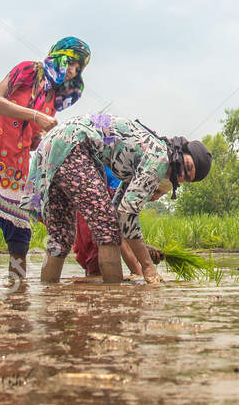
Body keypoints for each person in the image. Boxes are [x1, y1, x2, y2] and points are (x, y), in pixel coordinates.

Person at [0, 37, 91, 280]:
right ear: (58, 55)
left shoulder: (53, 99)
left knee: (19, 240)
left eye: (78, 68)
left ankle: (18, 293)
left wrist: (41, 137)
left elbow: (31, 139)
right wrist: (36, 116)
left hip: (17, 166)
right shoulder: (29, 71)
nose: (72, 71)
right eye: (71, 62)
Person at [28, 113, 212, 284]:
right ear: (181, 151)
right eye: (187, 166)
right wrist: (147, 267)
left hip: (57, 143)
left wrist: (142, 248)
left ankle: (48, 296)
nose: (182, 173)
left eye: (186, 177)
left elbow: (119, 212)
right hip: (75, 146)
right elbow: (126, 214)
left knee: (60, 238)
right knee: (108, 230)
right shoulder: (160, 158)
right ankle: (114, 297)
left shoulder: (148, 158)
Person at [72, 168, 165, 278]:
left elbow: (121, 232)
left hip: (89, 195)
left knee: (97, 268)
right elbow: (117, 234)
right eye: (157, 191)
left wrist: (143, 250)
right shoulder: (124, 189)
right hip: (92, 197)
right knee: (96, 262)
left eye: (162, 194)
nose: (155, 197)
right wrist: (143, 272)